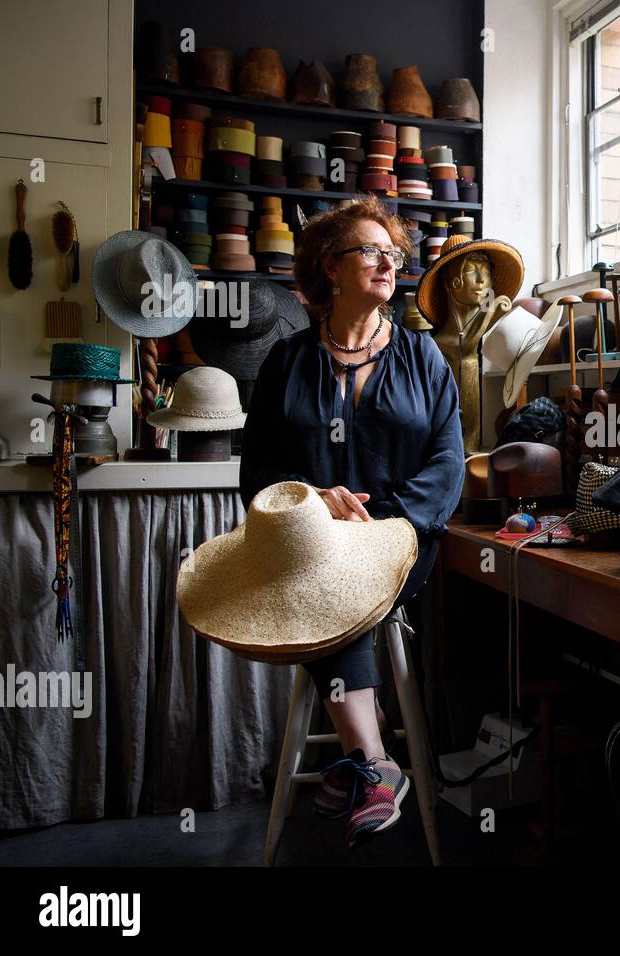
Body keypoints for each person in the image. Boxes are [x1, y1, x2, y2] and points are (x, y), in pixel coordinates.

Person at [239, 196, 464, 847]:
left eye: (392, 253)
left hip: (402, 544)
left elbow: (447, 468)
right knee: (322, 571)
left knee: (336, 581)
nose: (387, 263)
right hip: (310, 543)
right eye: (370, 250)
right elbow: (258, 481)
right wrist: (310, 500)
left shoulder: (423, 359)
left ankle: (360, 762)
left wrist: (383, 527)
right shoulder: (284, 362)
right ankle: (375, 763)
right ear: (329, 269)